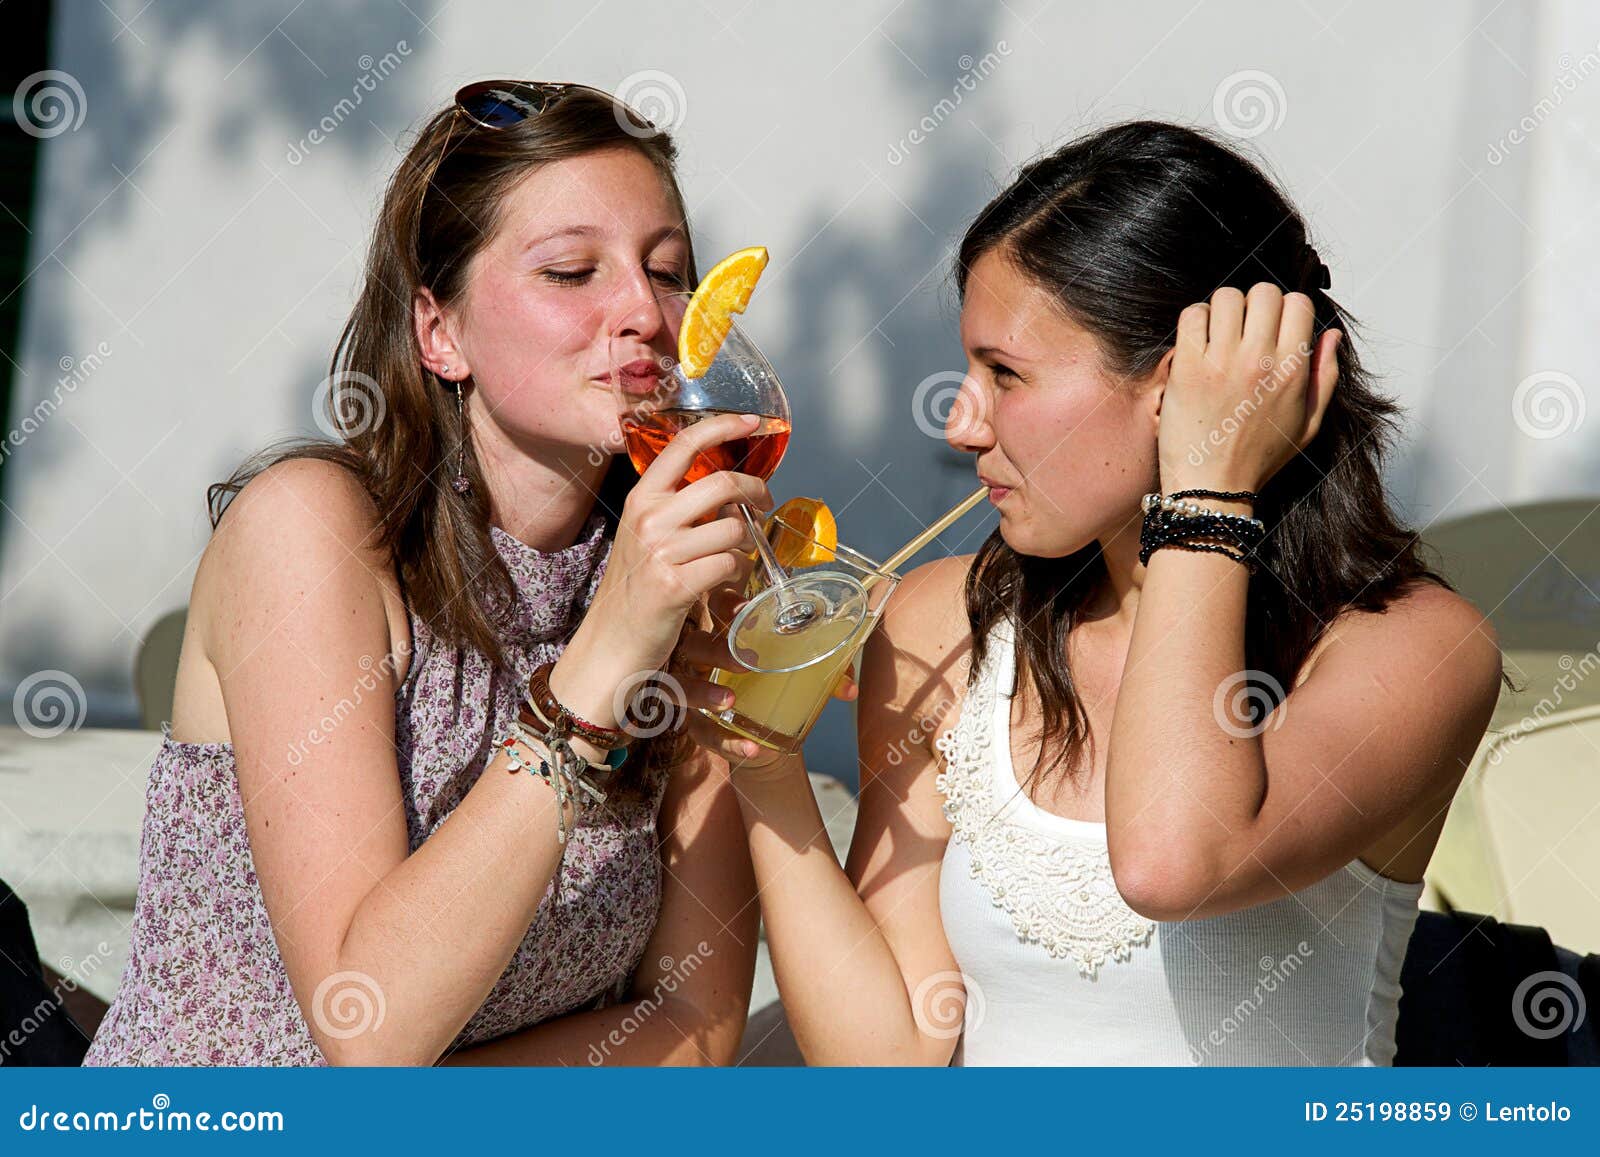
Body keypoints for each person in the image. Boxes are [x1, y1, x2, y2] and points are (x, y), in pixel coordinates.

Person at [681, 120, 1508, 1066]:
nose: (958, 421)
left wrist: (1204, 492)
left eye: (1005, 373)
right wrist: (765, 767)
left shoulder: (1411, 649)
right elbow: (889, 1064)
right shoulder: (943, 623)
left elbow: (1170, 861)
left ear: (1184, 383)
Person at [84, 82, 762, 1066]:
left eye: (668, 272)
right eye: (573, 270)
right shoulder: (312, 534)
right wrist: (606, 654)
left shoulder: (669, 578)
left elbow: (693, 1022)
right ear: (439, 332)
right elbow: (372, 1028)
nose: (643, 313)